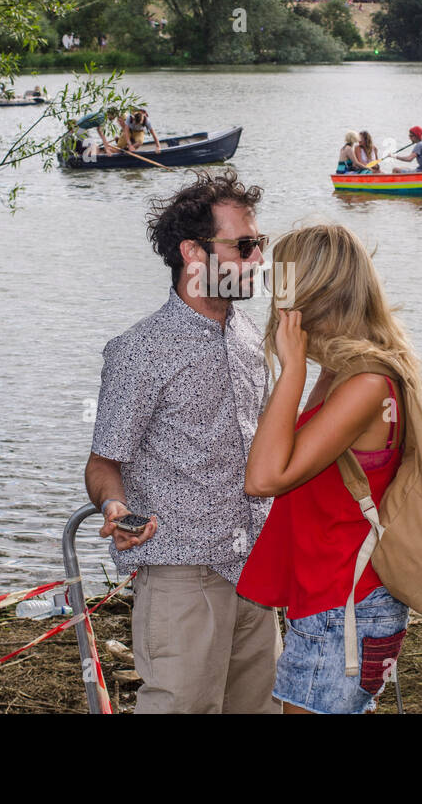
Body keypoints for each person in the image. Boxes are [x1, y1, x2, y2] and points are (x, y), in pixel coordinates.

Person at [85, 170, 281, 714]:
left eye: (259, 244)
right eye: (244, 246)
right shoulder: (139, 351)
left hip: (255, 569)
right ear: (193, 253)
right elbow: (103, 462)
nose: (258, 259)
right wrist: (114, 505)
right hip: (181, 572)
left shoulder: (250, 335)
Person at [237, 223, 418, 714]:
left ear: (313, 296)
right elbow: (289, 457)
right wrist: (306, 367)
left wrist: (291, 367)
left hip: (346, 608)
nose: (275, 306)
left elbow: (264, 478)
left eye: (283, 290)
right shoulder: (344, 372)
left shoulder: (365, 384)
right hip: (333, 603)